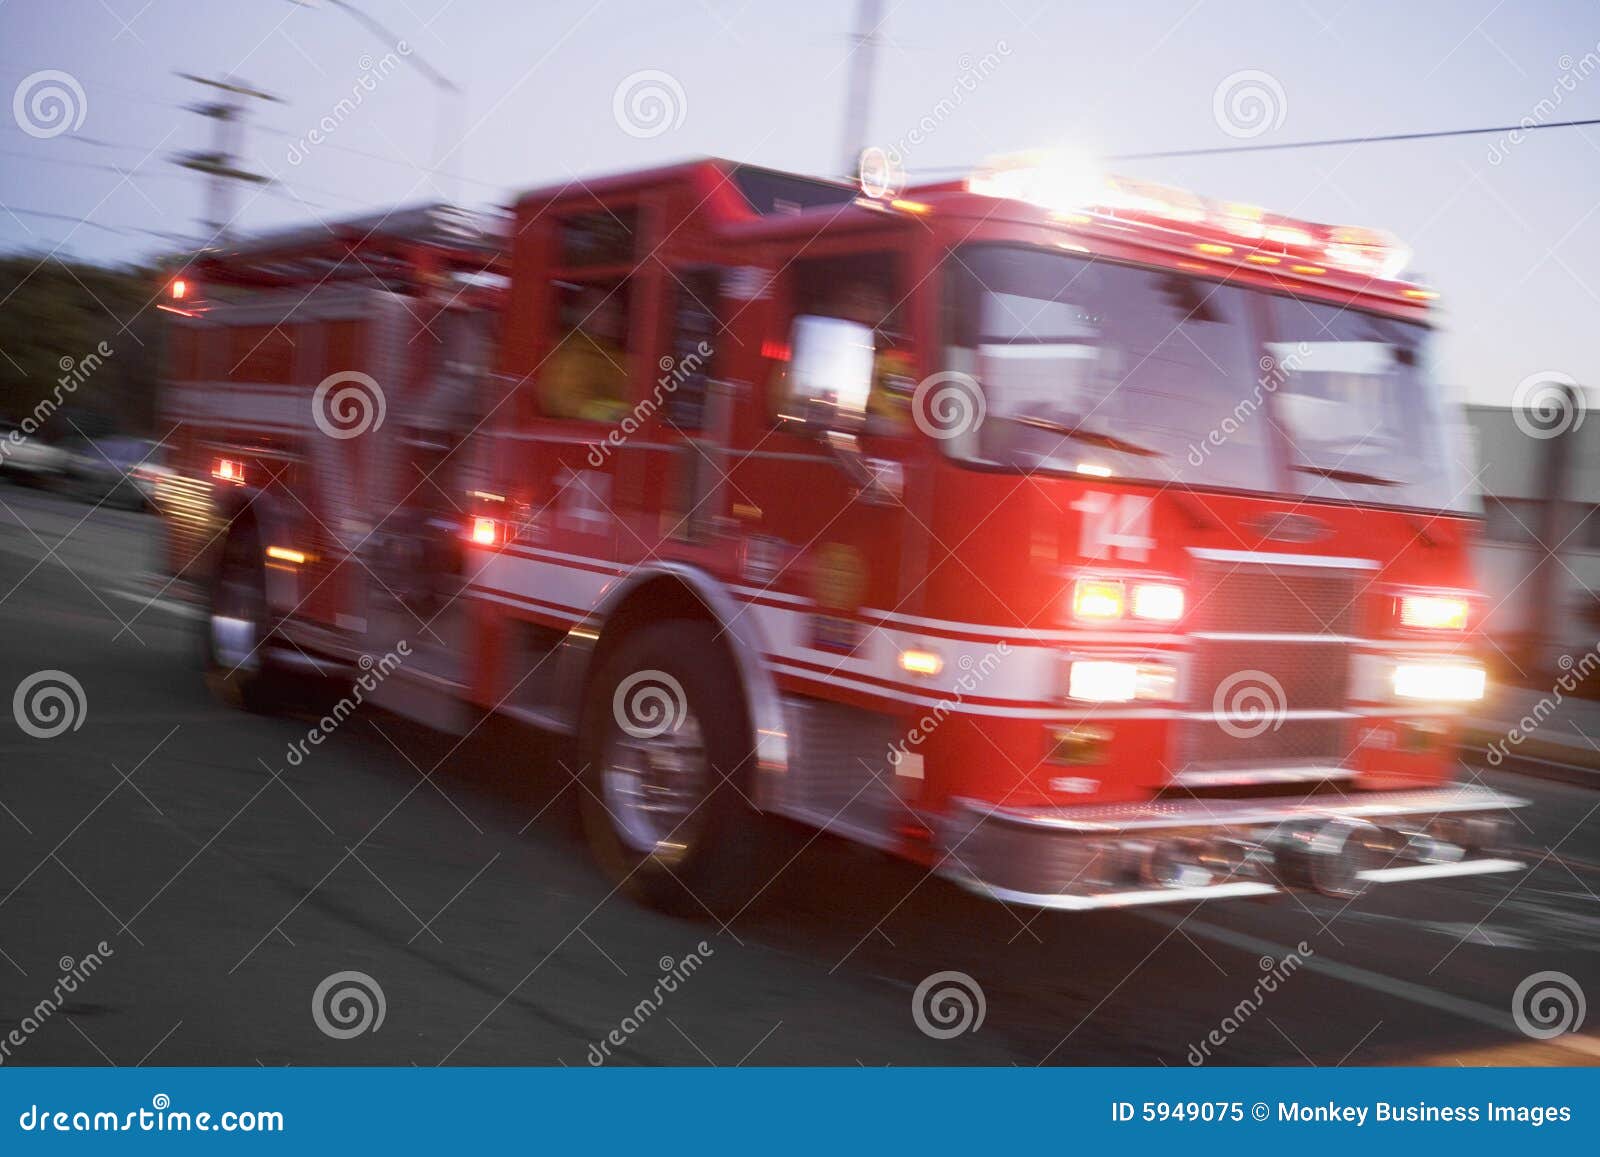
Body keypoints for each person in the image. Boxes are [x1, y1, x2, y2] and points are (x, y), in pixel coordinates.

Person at [539, 286, 631, 422]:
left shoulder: (617, 354)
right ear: (586, 315)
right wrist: (615, 414)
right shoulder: (571, 351)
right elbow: (565, 400)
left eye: (615, 311)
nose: (613, 317)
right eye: (604, 311)